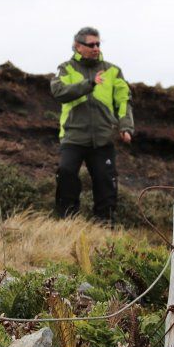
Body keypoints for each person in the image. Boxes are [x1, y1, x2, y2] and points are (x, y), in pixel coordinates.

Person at [50, 27, 134, 223]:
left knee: (106, 184)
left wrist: (125, 126)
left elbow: (123, 100)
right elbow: (59, 91)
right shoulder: (66, 68)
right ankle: (66, 221)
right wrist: (90, 83)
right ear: (78, 47)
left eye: (98, 44)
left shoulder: (113, 71)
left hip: (103, 138)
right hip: (73, 136)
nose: (96, 48)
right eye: (91, 44)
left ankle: (105, 227)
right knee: (66, 173)